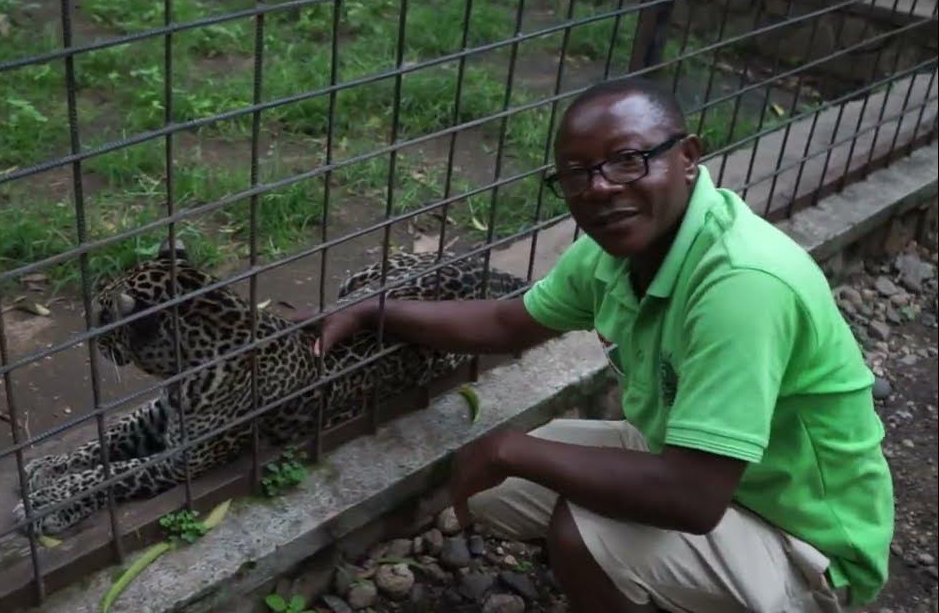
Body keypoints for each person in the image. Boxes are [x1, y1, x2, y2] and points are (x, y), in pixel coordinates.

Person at [314, 79, 893, 612]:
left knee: (577, 531)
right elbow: (506, 324)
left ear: (688, 157)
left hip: (803, 541)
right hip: (705, 469)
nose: (599, 189)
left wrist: (509, 450)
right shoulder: (616, 249)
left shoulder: (742, 284)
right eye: (576, 172)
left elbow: (693, 499)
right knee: (505, 491)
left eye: (628, 161)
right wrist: (374, 312)